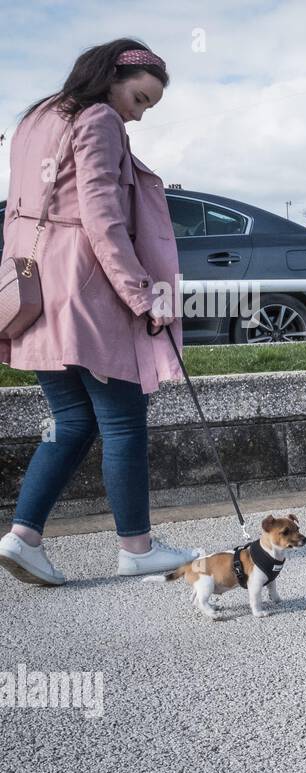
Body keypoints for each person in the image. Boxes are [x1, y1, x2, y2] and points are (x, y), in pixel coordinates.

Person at [0, 39, 200, 587]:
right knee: (123, 420)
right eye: (139, 98)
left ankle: (23, 538)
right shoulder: (99, 120)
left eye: (147, 106)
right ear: (112, 77)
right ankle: (137, 548)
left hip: (32, 286)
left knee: (71, 421)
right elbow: (101, 216)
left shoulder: (37, 118)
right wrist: (143, 296)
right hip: (86, 288)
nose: (137, 113)